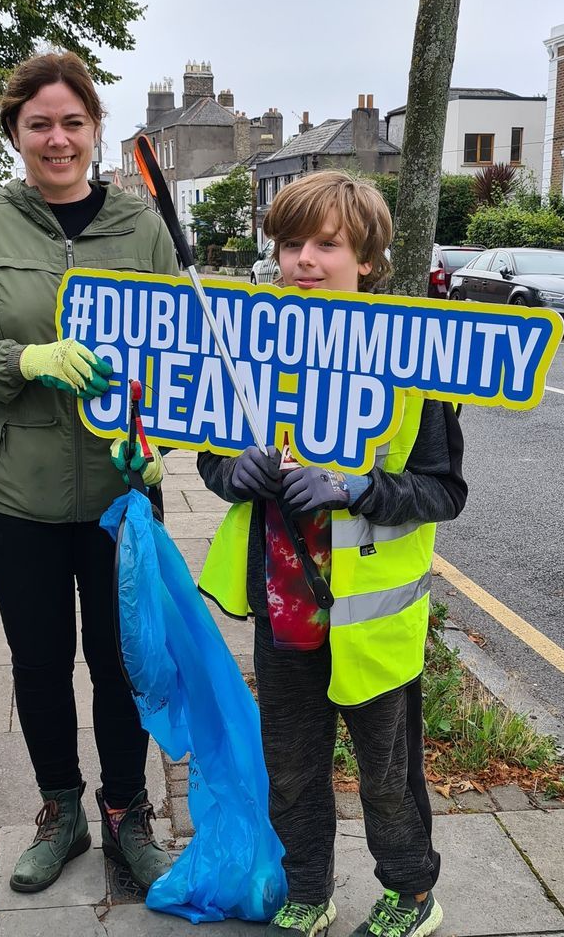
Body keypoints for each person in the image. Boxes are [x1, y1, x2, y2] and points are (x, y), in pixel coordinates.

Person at [0, 51, 178, 895]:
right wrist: (24, 357)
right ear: (16, 134)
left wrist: (159, 444)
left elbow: (181, 361)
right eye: (40, 124)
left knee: (121, 663)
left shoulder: (141, 228)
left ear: (95, 128)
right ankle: (60, 811)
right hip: (13, 495)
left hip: (120, 497)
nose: (58, 138)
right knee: (38, 661)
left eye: (73, 122)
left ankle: (126, 814)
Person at [197, 171, 467, 937]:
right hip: (283, 615)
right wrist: (231, 473)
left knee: (386, 776)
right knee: (290, 771)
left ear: (368, 259)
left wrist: (356, 487)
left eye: (327, 243)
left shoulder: (414, 365)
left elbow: (443, 491)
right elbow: (214, 461)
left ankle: (413, 894)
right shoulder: (250, 353)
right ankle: (307, 890)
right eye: (290, 242)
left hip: (372, 626)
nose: (304, 259)